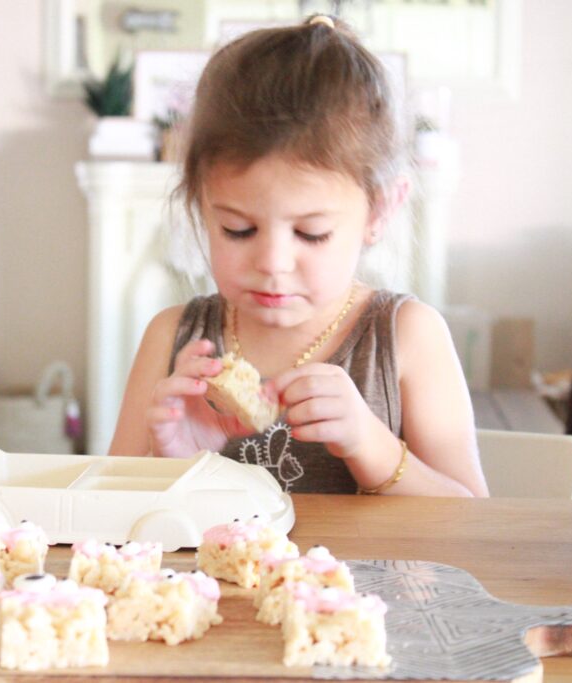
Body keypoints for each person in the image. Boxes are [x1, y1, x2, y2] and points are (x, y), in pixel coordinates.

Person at [109, 14, 488, 497]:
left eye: (311, 234)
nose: (272, 262)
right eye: (238, 229)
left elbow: (471, 517)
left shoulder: (407, 337)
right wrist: (174, 462)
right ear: (201, 203)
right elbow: (109, 520)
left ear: (380, 208)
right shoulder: (173, 339)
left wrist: (371, 444)